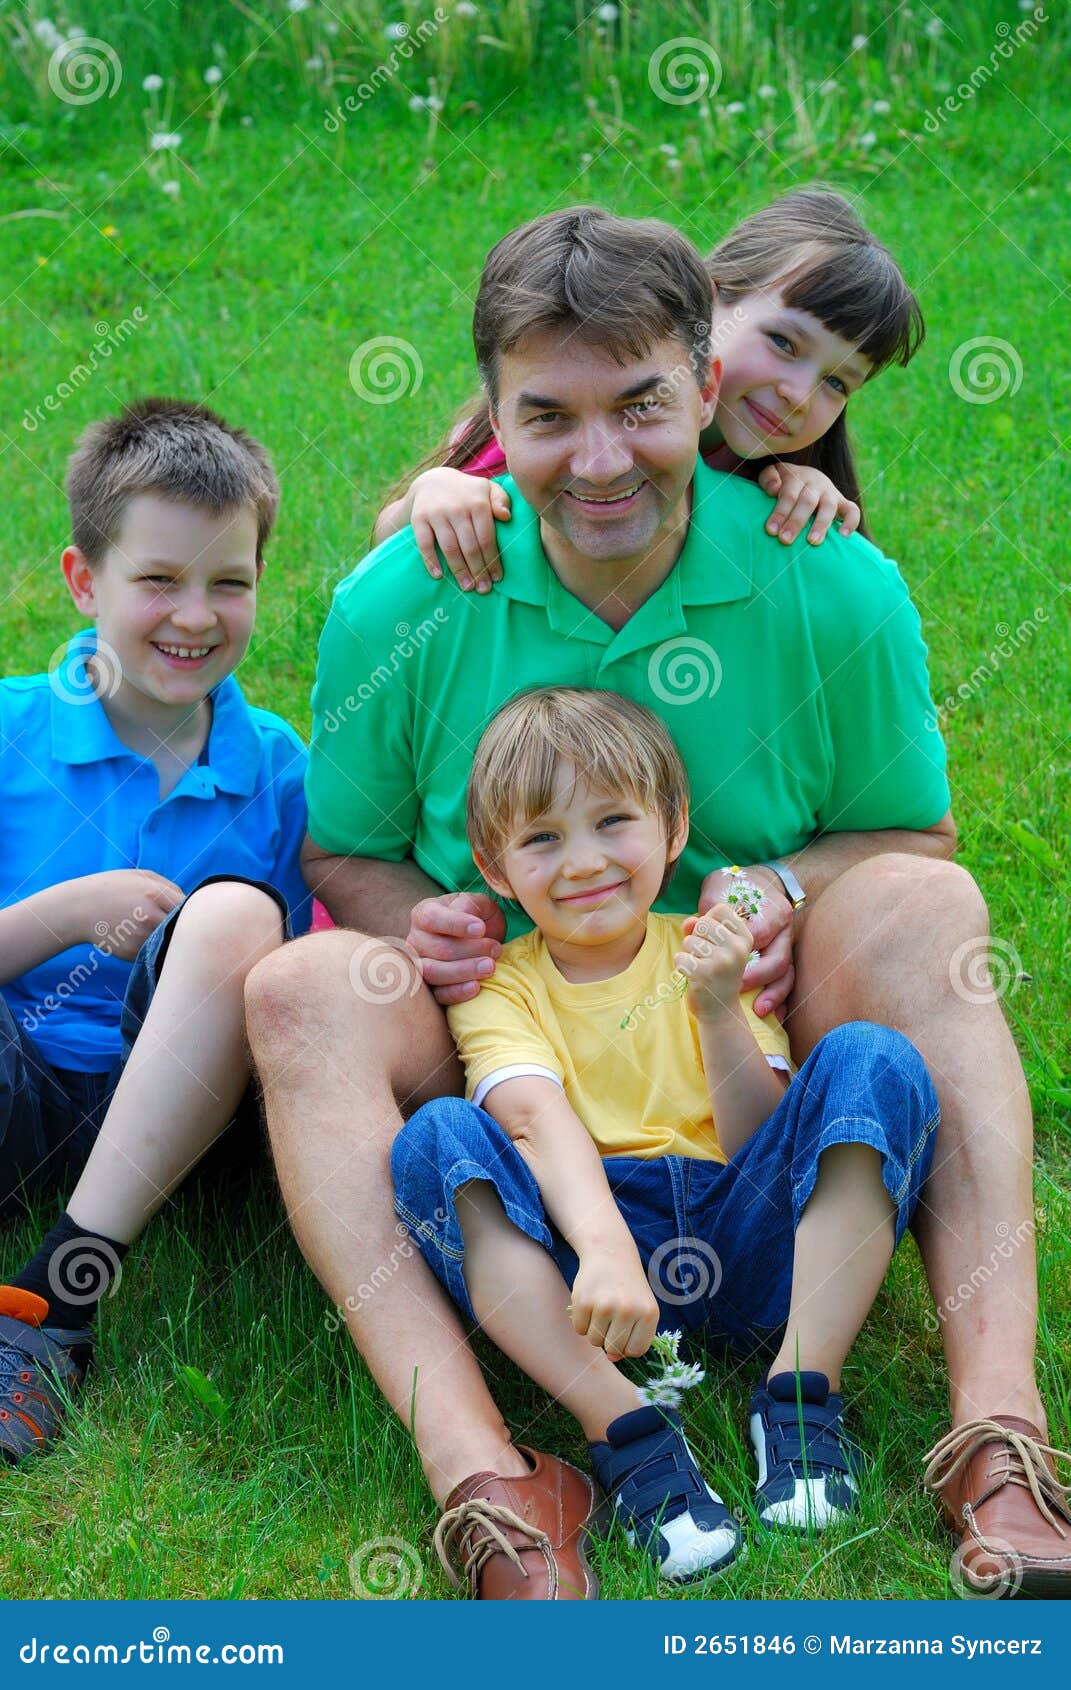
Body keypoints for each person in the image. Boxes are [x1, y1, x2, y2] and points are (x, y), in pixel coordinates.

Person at [246, 206, 1069, 1602]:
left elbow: (905, 825)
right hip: (511, 1037)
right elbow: (346, 852)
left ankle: (996, 1435)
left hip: (754, 1030)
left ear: (705, 386)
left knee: (927, 903)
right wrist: (411, 916)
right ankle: (494, 1481)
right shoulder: (405, 594)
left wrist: (777, 885)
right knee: (297, 989)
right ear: (494, 418)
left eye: (640, 405)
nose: (600, 460)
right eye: (548, 418)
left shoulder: (827, 579)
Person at [392, 686, 939, 1589]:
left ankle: (800, 1393)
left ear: (674, 826)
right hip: (591, 1270)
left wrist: (719, 1006)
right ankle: (630, 1438)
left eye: (613, 822)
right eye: (540, 839)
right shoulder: (500, 984)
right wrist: (603, 1248)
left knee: (871, 1059)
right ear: (493, 865)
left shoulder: (709, 944)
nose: (582, 863)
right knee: (436, 1139)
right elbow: (531, 1116)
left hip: (748, 1230)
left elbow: (764, 1143)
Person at [0, 398, 311, 1462]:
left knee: (236, 915)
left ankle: (53, 1303)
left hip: (185, 1109)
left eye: (230, 582)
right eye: (160, 581)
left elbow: (298, 998)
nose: (196, 614)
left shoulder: (276, 771)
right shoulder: (10, 733)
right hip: (18, 1077)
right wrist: (68, 914)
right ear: (85, 582)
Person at [373, 187, 920, 597]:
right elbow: (386, 561)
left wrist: (811, 496)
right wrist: (432, 492)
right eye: (782, 341)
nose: (799, 394)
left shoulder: (775, 483)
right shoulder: (548, 432)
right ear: (707, 303)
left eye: (835, 382)